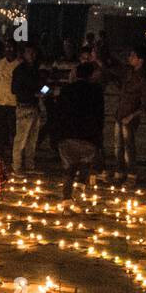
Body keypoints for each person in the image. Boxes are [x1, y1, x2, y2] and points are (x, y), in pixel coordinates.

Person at [55, 62, 104, 200]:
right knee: (85, 163)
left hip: (68, 134)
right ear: (90, 75)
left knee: (69, 169)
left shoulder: (67, 90)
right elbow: (99, 116)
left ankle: (66, 200)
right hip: (88, 135)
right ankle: (80, 187)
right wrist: (99, 138)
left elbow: (59, 113)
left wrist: (58, 135)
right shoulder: (96, 91)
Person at [109, 45, 146, 184]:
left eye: (133, 56)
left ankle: (131, 174)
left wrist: (132, 116)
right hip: (120, 115)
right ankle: (119, 171)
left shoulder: (143, 80)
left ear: (140, 60)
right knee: (118, 146)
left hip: (129, 117)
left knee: (128, 147)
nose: (130, 58)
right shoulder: (128, 74)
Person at [10, 44, 44, 174]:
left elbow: (39, 85)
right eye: (29, 52)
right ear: (24, 54)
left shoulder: (35, 69)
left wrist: (43, 90)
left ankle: (30, 164)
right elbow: (15, 90)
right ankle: (17, 165)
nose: (32, 55)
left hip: (34, 106)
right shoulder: (20, 70)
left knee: (32, 138)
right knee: (21, 138)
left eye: (34, 53)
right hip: (24, 107)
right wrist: (33, 93)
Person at [0, 40, 19, 154]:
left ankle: (13, 152)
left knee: (13, 129)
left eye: (11, 48)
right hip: (0, 100)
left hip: (13, 102)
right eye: (7, 48)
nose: (9, 50)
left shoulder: (18, 64)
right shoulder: (0, 64)